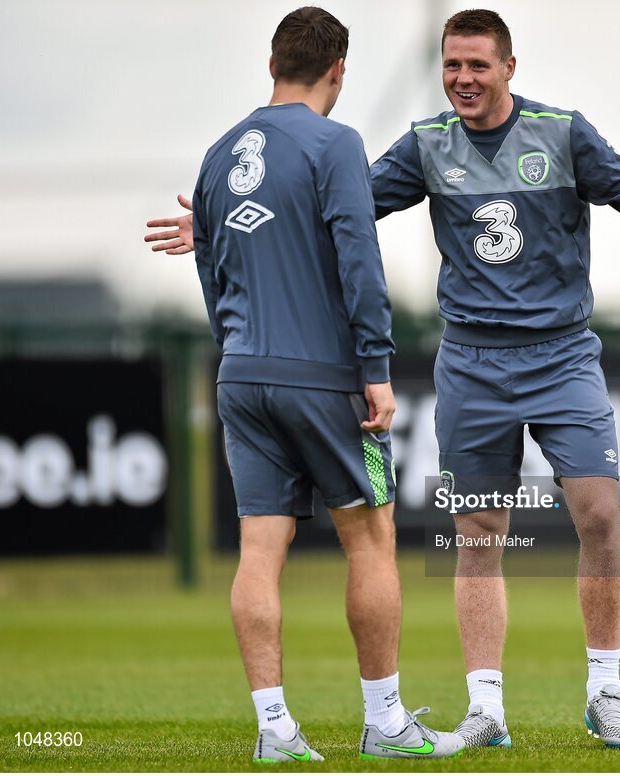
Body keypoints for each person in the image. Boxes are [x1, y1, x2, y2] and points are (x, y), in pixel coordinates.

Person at [146, 8, 620, 752]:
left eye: (477, 66)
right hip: (471, 365)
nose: (462, 79)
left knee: (598, 514)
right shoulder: (428, 145)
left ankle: (605, 690)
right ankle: (485, 706)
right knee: (480, 533)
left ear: (509, 69)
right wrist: (230, 220)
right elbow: (339, 209)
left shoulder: (562, 133)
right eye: (451, 66)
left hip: (561, 357)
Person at [165, 6, 463, 763]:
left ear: (272, 65)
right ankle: (387, 724)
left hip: (241, 375)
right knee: (371, 536)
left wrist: (235, 352)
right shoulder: (335, 144)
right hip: (326, 383)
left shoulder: (216, 154)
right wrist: (376, 368)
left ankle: (275, 732)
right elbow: (359, 263)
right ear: (338, 71)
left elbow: (211, 272)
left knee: (259, 551)